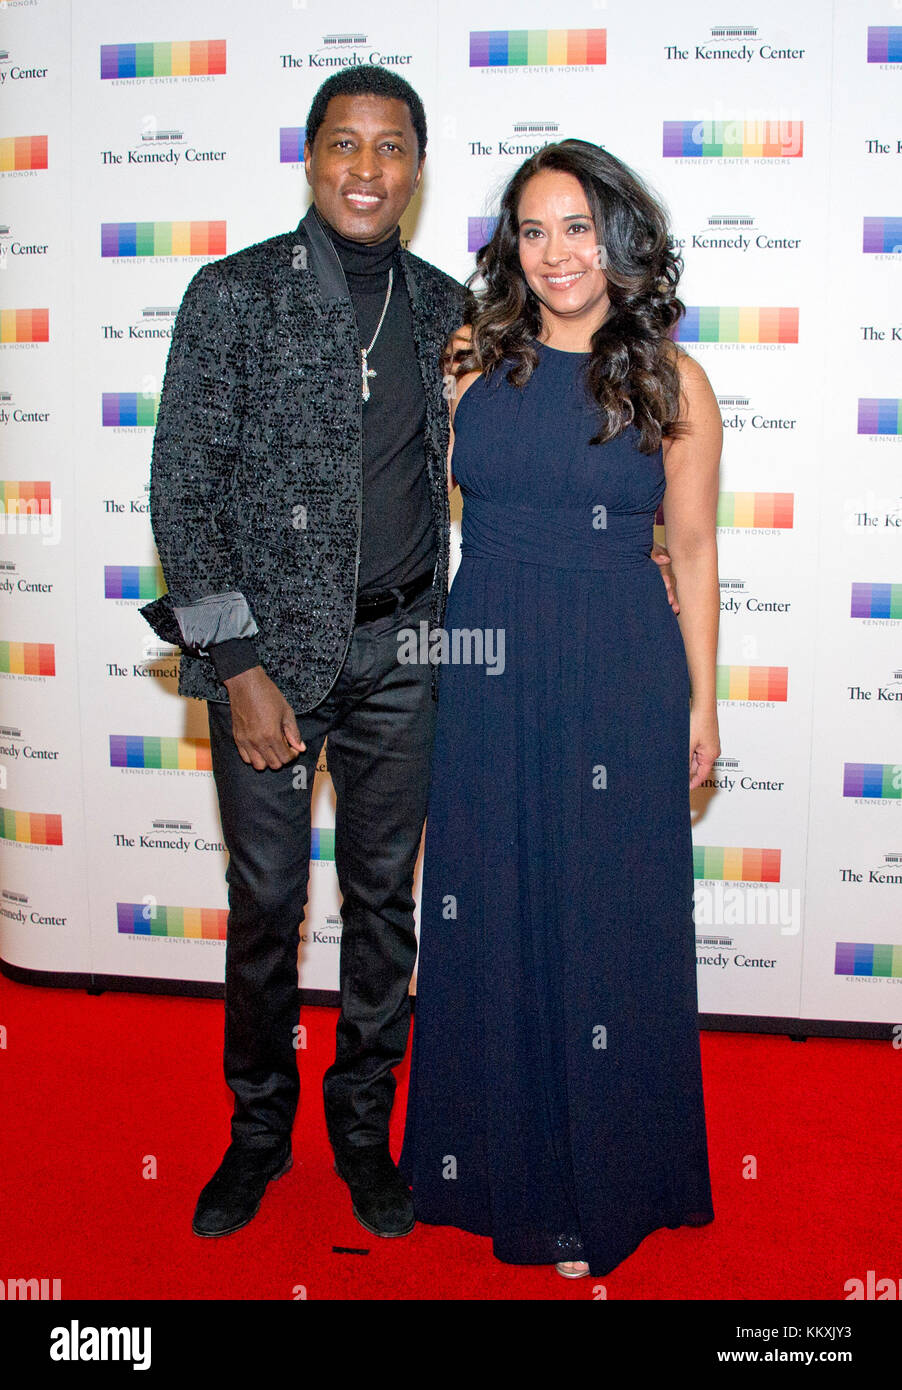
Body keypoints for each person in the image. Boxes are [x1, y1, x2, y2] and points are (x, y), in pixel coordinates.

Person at [141, 69, 678, 1244]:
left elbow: (543, 460)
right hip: (266, 665)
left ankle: (364, 1136)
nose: (366, 169)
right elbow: (182, 493)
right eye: (345, 144)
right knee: (265, 905)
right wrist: (235, 668)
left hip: (409, 654)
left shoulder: (457, 320)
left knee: (388, 909)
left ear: (418, 171)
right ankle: (256, 1133)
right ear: (312, 157)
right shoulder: (231, 296)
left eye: (391, 148)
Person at [398, 139, 721, 1279]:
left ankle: (607, 1183)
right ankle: (484, 1174)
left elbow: (688, 546)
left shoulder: (671, 381)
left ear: (618, 237)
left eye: (576, 226)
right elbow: (409, 521)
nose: (554, 254)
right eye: (531, 231)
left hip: (619, 669)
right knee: (484, 907)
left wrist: (702, 704)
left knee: (606, 919)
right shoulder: (467, 360)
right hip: (487, 665)